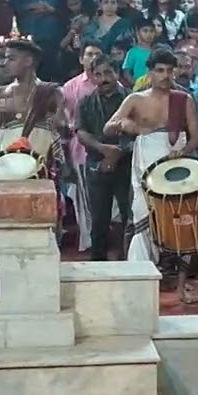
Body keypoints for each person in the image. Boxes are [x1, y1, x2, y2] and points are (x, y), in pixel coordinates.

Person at [104, 49, 198, 295]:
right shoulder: (135, 99)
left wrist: (184, 151)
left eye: (170, 70)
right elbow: (108, 128)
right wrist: (123, 124)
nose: (166, 75)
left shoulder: (184, 99)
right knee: (141, 220)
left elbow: (196, 136)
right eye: (160, 71)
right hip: (145, 164)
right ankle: (139, 281)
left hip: (177, 164)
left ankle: (180, 286)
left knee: (181, 222)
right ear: (150, 73)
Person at [0, 39, 65, 197]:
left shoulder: (50, 93)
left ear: (28, 61)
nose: (4, 63)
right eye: (4, 58)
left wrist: (53, 122)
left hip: (40, 163)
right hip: (3, 166)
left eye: (11, 58)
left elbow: (64, 126)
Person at [77, 57, 132, 261]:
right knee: (99, 220)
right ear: (91, 76)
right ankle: (97, 265)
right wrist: (103, 150)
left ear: (117, 73)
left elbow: (138, 133)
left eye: (108, 73)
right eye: (98, 74)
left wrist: (116, 153)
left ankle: (129, 262)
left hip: (126, 163)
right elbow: (81, 132)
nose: (103, 79)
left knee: (130, 216)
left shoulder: (132, 98)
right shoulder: (86, 101)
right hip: (96, 164)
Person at [62, 44, 104, 251]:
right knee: (84, 197)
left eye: (97, 54)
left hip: (106, 146)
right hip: (79, 147)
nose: (93, 57)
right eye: (89, 54)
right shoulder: (71, 87)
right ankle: (89, 242)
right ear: (81, 59)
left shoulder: (109, 83)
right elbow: (62, 119)